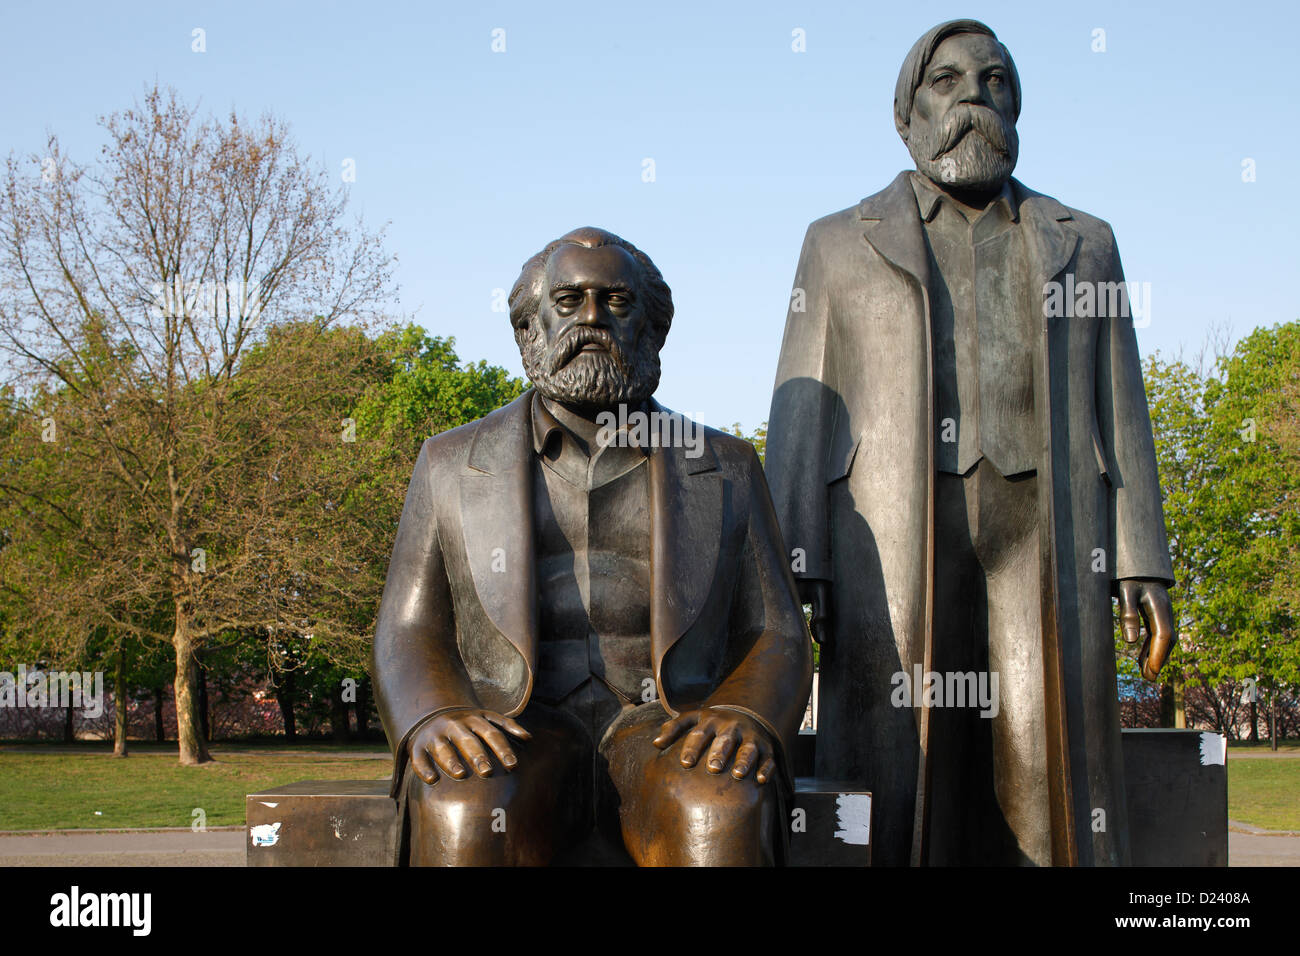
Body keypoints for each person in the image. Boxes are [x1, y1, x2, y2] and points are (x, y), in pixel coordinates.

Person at [765, 20, 1176, 865]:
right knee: (902, 754)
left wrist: (1143, 560)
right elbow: (804, 408)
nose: (974, 100)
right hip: (887, 526)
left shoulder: (1085, 242)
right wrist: (791, 565)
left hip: (1050, 523)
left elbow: (1120, 402)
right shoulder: (838, 241)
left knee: (1046, 756)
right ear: (905, 112)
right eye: (946, 82)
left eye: (994, 82)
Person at [374, 226, 812, 865]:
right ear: (530, 329)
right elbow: (407, 627)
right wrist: (432, 713)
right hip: (516, 728)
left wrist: (747, 714)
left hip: (663, 728)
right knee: (467, 808)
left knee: (717, 807)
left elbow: (775, 629)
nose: (592, 318)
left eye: (617, 302)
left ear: (652, 331)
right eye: (569, 301)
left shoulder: (727, 465)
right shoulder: (448, 463)